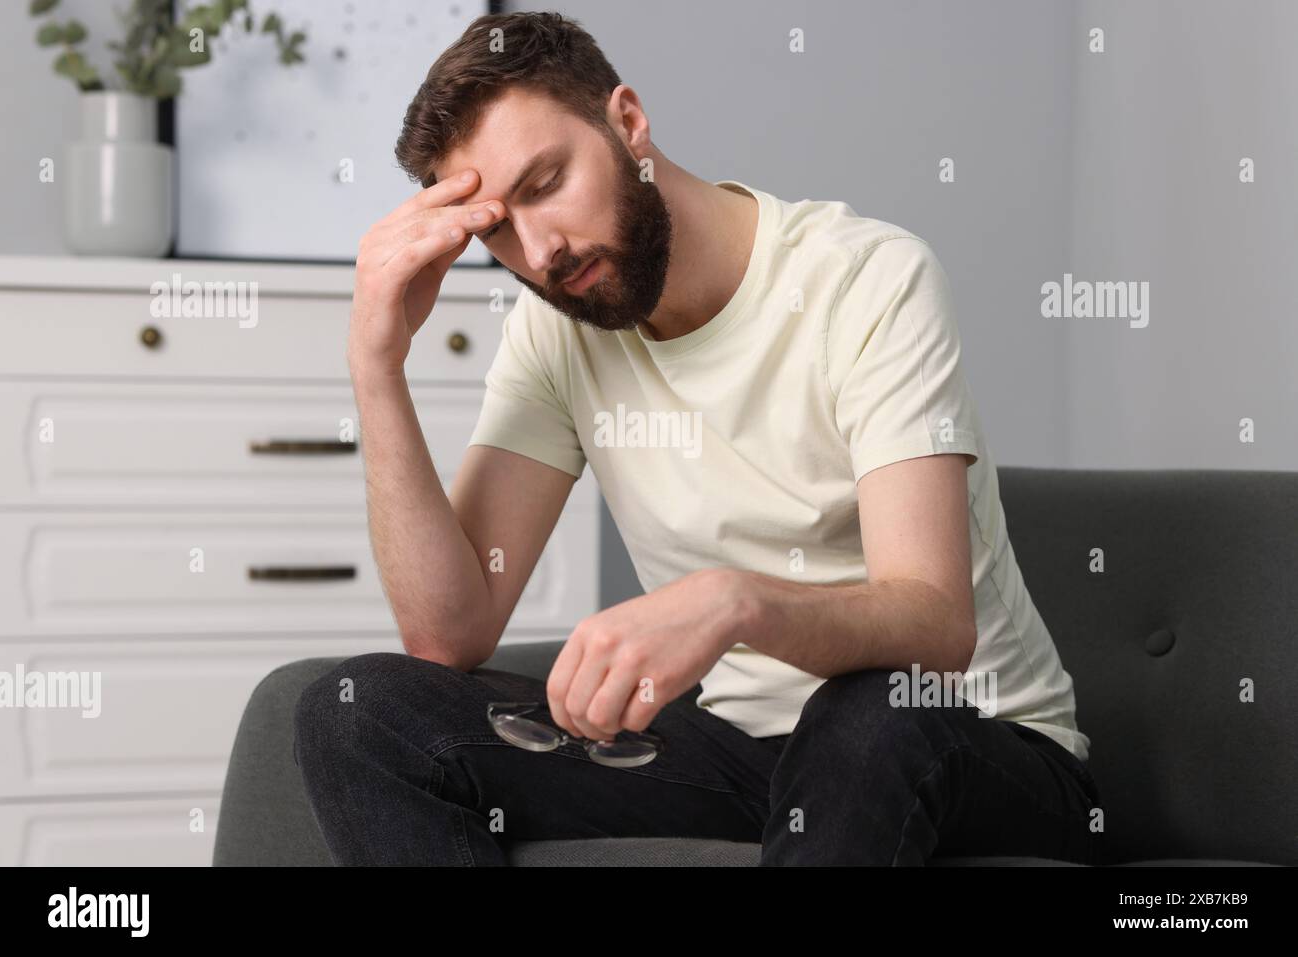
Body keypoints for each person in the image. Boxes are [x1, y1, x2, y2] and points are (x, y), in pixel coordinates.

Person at [294, 11, 1102, 866]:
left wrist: (732, 602)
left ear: (628, 122)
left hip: (969, 739)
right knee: (356, 712)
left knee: (871, 711)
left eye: (545, 183)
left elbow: (936, 623)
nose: (541, 250)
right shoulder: (556, 334)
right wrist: (375, 363)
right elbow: (449, 634)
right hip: (750, 756)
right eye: (497, 229)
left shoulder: (866, 279)